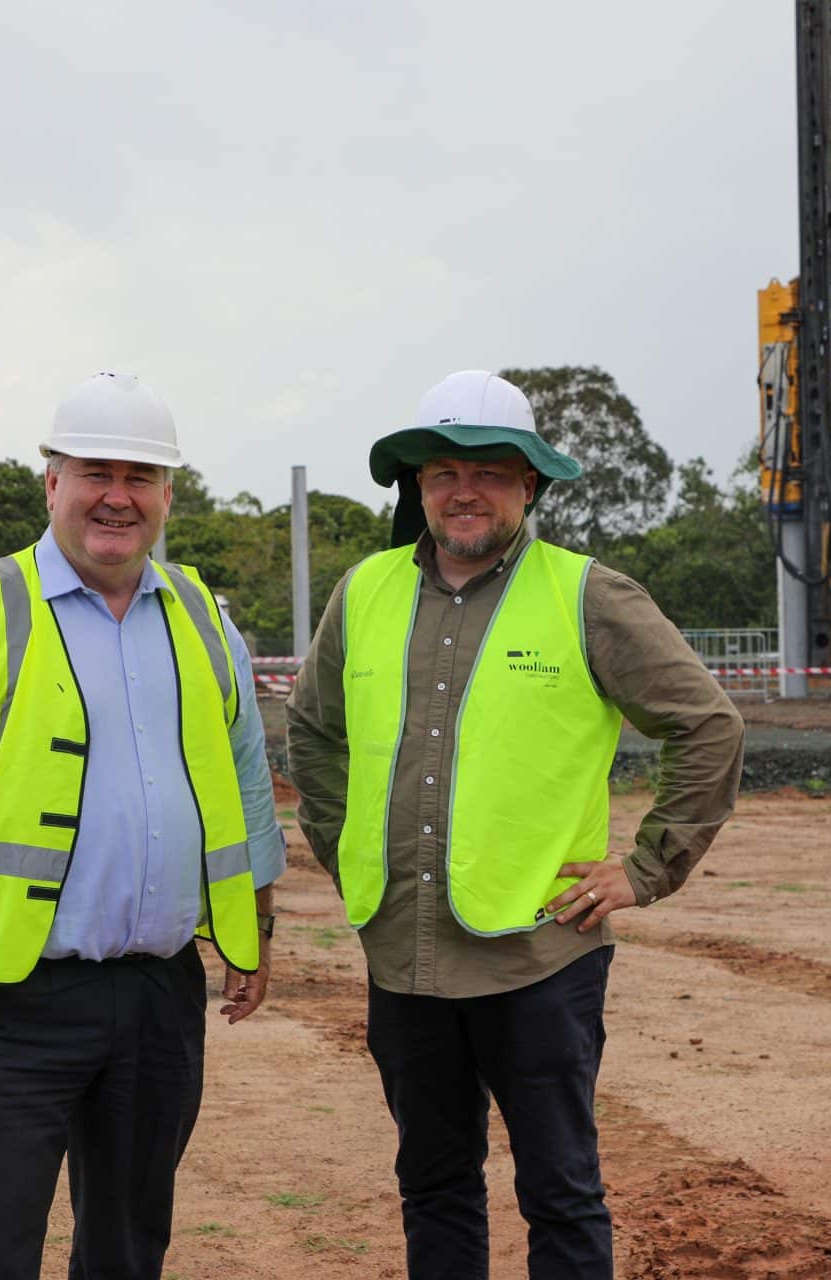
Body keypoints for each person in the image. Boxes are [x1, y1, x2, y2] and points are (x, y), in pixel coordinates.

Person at [285, 370, 745, 1279]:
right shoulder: (364, 590)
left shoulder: (589, 596)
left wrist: (645, 870)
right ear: (419, 486)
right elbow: (313, 730)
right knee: (433, 1182)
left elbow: (708, 726)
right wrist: (352, 851)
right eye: (444, 472)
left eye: (490, 472)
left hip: (540, 958)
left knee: (560, 1190)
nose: (465, 491)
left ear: (528, 485)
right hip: (404, 955)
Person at [0, 371, 286, 1280]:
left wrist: (257, 930)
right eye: (95, 473)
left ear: (167, 495)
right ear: (52, 483)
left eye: (139, 477)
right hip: (11, 997)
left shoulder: (206, 620)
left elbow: (247, 788)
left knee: (129, 1246)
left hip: (161, 994)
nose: (117, 497)